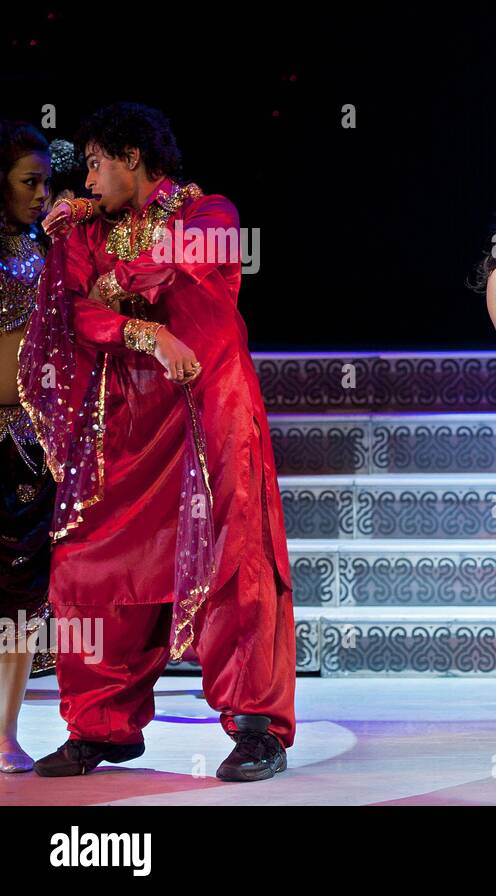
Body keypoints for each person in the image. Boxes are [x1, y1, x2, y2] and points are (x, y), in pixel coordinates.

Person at [23, 102, 297, 779]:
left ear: (133, 158)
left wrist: (114, 277)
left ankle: (255, 726)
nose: (85, 181)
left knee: (233, 558)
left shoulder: (213, 215)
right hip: (128, 421)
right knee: (90, 559)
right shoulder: (87, 234)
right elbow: (74, 310)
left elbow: (168, 264)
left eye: (94, 163)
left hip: (210, 407)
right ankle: (104, 725)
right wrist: (145, 331)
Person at [0, 121, 57, 773]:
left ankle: (6, 730)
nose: (43, 194)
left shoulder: (47, 254)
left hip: (28, 441)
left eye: (46, 182)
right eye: (29, 182)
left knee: (22, 598)